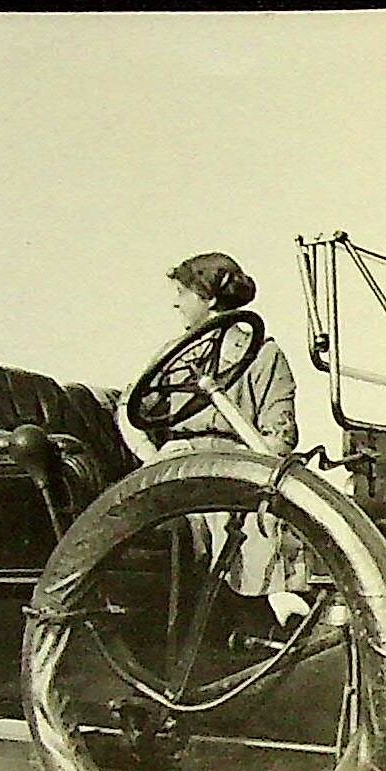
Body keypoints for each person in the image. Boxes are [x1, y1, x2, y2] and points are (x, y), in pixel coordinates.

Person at [117, 251, 310, 623]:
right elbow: (130, 409)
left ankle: (274, 611)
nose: (176, 301)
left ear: (207, 298)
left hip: (240, 465)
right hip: (176, 462)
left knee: (260, 514)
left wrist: (245, 464)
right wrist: (150, 459)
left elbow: (279, 439)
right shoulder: (173, 356)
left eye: (183, 292)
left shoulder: (265, 355)